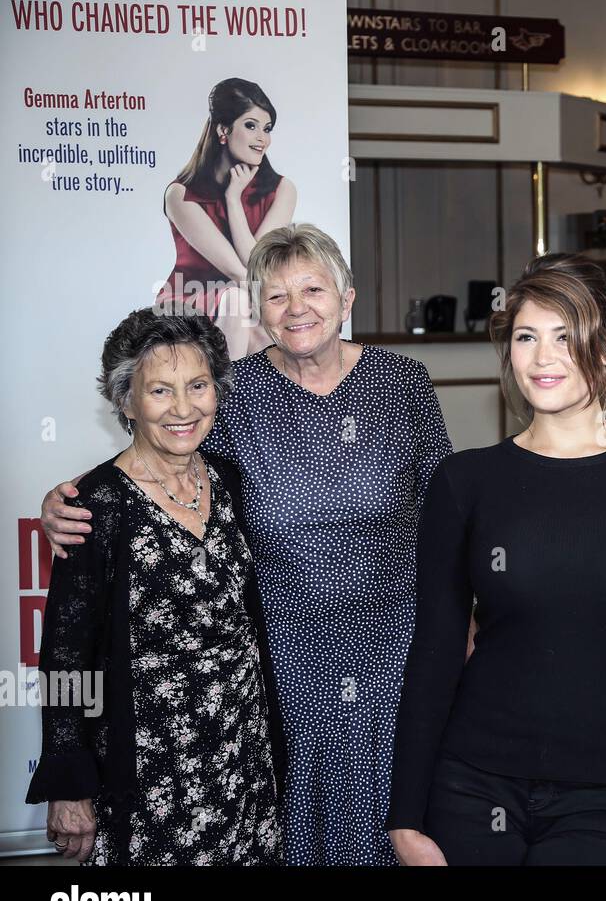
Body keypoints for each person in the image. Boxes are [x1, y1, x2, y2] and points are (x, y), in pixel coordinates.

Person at [41, 224, 453, 865]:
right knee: (294, 831)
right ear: (257, 313)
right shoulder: (234, 395)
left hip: (386, 656)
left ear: (347, 298)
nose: (297, 309)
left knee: (396, 826)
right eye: (277, 295)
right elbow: (158, 460)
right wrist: (64, 504)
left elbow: (446, 512)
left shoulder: (401, 384)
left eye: (313, 290)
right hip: (273, 670)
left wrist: (463, 623)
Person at [386, 254, 606, 866]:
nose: (542, 358)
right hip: (473, 778)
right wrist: (404, 815)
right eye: (526, 337)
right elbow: (434, 651)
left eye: (565, 337)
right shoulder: (465, 482)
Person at [27, 310, 285, 865]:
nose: (183, 408)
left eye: (198, 386)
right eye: (160, 390)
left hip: (244, 759)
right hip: (149, 774)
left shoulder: (230, 480)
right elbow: (66, 655)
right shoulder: (94, 506)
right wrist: (69, 784)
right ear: (126, 401)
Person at [155, 78, 297, 359]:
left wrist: (234, 201)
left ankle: (235, 386)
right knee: (237, 299)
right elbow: (238, 272)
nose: (263, 138)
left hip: (248, 300)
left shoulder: (283, 190)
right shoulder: (180, 195)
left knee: (256, 327)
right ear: (223, 129)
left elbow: (255, 263)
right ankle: (226, 388)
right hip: (190, 300)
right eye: (251, 125)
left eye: (267, 128)